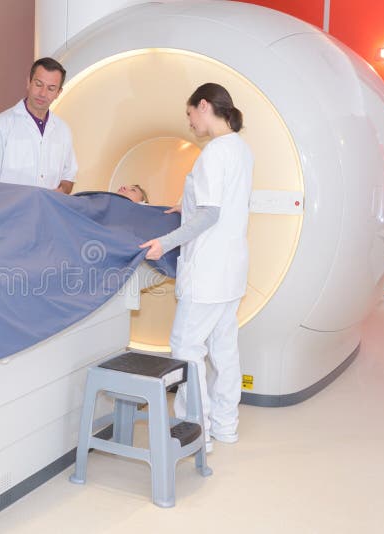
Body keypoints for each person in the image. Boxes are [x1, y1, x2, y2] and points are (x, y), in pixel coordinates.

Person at [139, 83, 253, 452]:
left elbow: (210, 214)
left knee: (187, 348)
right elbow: (219, 202)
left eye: (190, 114)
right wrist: (183, 205)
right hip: (231, 270)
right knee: (224, 349)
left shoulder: (214, 153)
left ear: (204, 106)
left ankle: (196, 432)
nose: (190, 123)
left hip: (206, 272)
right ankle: (225, 425)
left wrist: (164, 243)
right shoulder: (240, 148)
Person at [0, 57, 77, 194]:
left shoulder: (63, 130)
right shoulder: (2, 125)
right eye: (39, 84)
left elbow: (68, 176)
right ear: (28, 82)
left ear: (58, 93)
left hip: (47, 211)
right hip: (10, 212)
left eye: (51, 88)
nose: (43, 93)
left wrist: (61, 192)